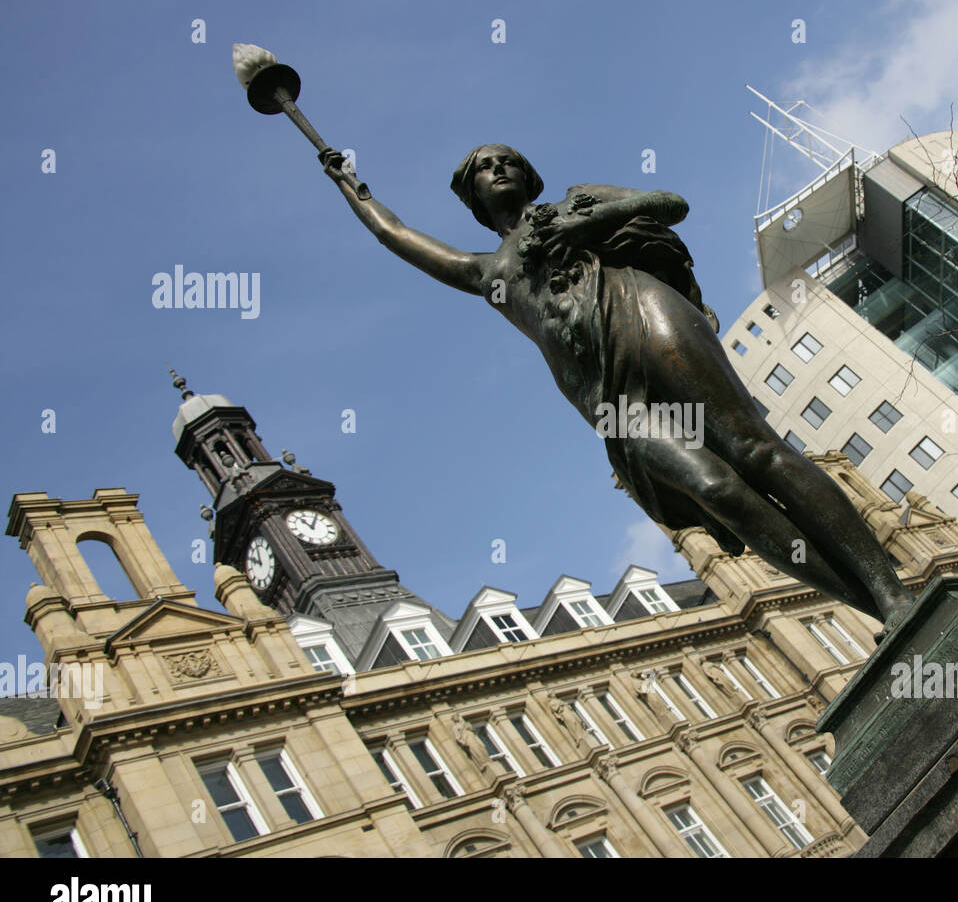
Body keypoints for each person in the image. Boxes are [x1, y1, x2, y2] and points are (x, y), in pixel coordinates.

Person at [319, 143, 913, 631]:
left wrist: (588, 221)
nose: (496, 168)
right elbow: (394, 235)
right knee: (716, 488)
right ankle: (874, 610)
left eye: (505, 159)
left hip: (644, 312)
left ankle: (890, 594)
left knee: (752, 449)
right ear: (472, 194)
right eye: (482, 167)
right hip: (605, 395)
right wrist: (351, 185)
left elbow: (670, 202)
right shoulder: (486, 271)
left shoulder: (576, 200)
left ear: (527, 174)